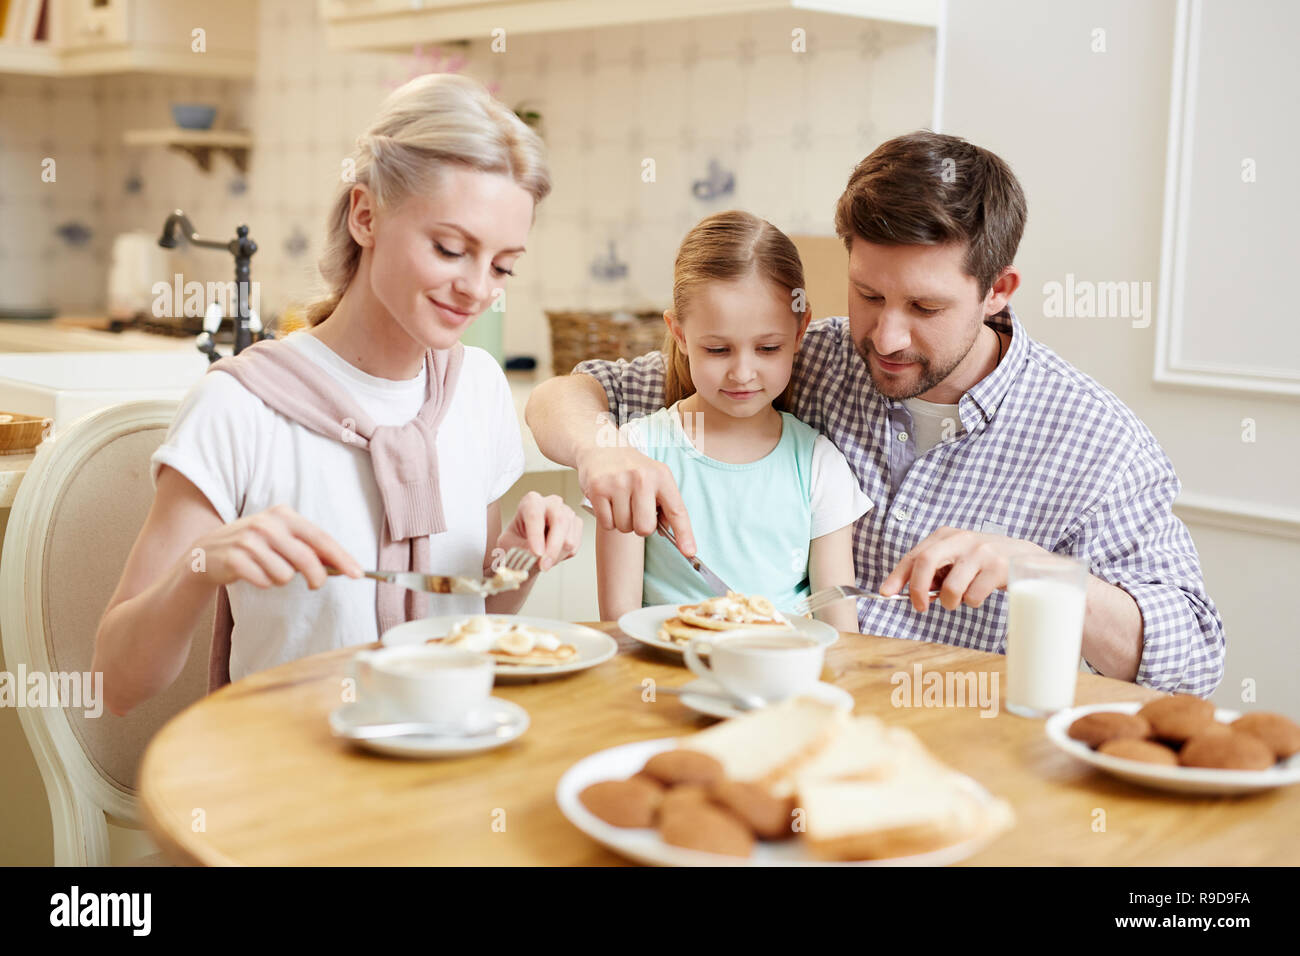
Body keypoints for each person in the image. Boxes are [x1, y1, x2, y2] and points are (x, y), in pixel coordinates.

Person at [526, 131, 1225, 696]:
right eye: (868, 294)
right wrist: (599, 450)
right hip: (785, 716)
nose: (886, 338)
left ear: (997, 291)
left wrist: (1037, 570)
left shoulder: (1095, 440)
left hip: (965, 754)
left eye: (925, 307)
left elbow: (1192, 657)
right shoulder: (805, 356)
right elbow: (573, 395)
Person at [94, 74, 582, 716]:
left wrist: (521, 558)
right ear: (365, 215)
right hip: (290, 780)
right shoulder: (239, 406)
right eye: (450, 248)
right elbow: (114, 683)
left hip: (445, 752)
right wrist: (202, 566)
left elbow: (473, 615)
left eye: (502, 266)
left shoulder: (479, 389)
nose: (476, 288)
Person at [596, 211, 871, 633]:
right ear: (681, 335)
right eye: (719, 350)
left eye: (767, 348)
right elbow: (619, 624)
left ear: (800, 333)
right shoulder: (633, 456)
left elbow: (840, 631)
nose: (742, 373)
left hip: (779, 680)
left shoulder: (819, 464)